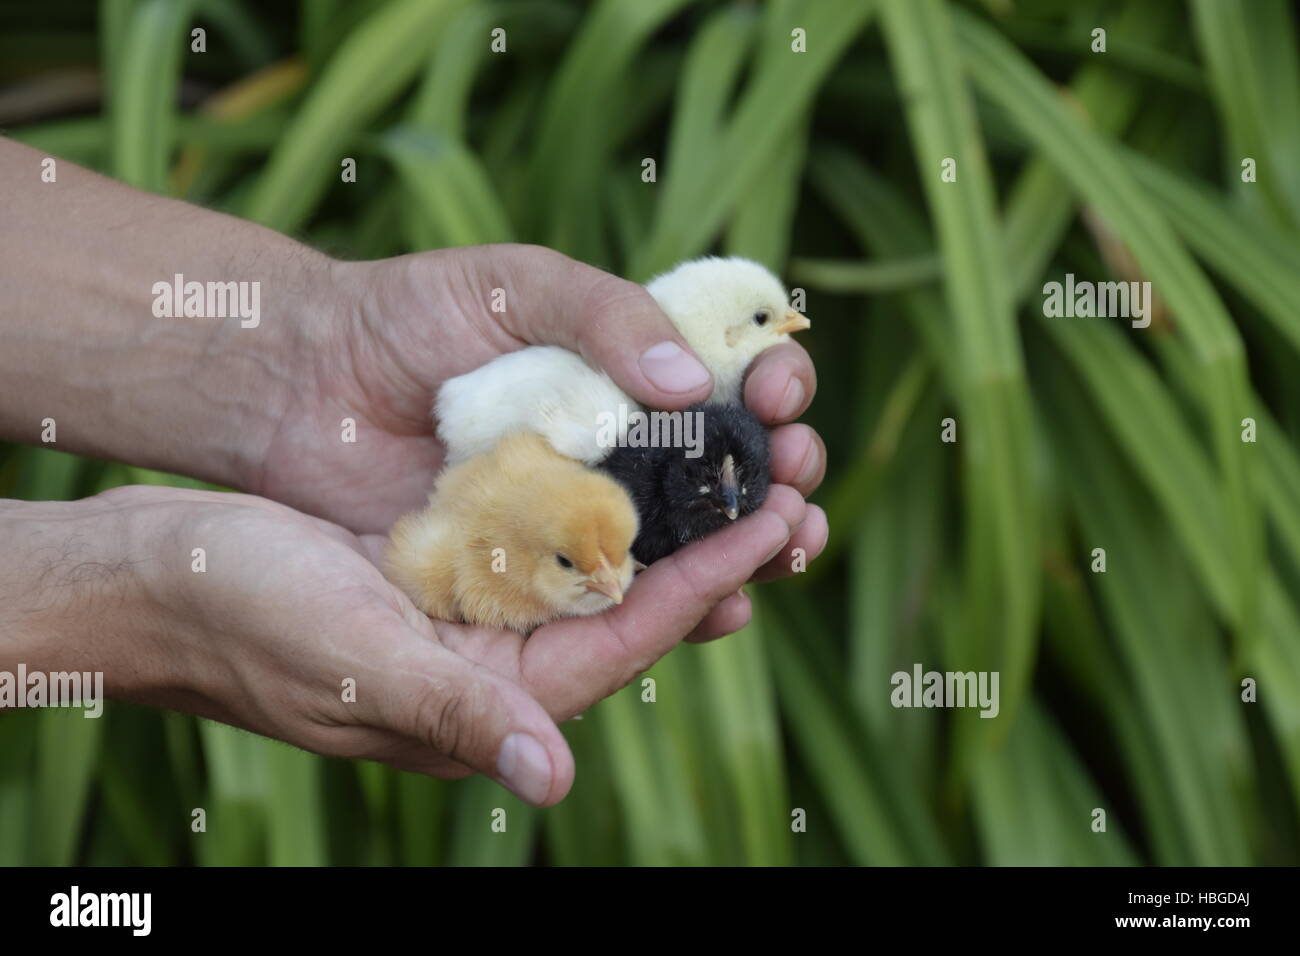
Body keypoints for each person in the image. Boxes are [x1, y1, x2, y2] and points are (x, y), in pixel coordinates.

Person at [0, 138, 827, 806]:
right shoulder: (603, 421)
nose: (786, 326)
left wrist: (305, 344)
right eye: (765, 321)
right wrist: (143, 586)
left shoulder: (636, 437)